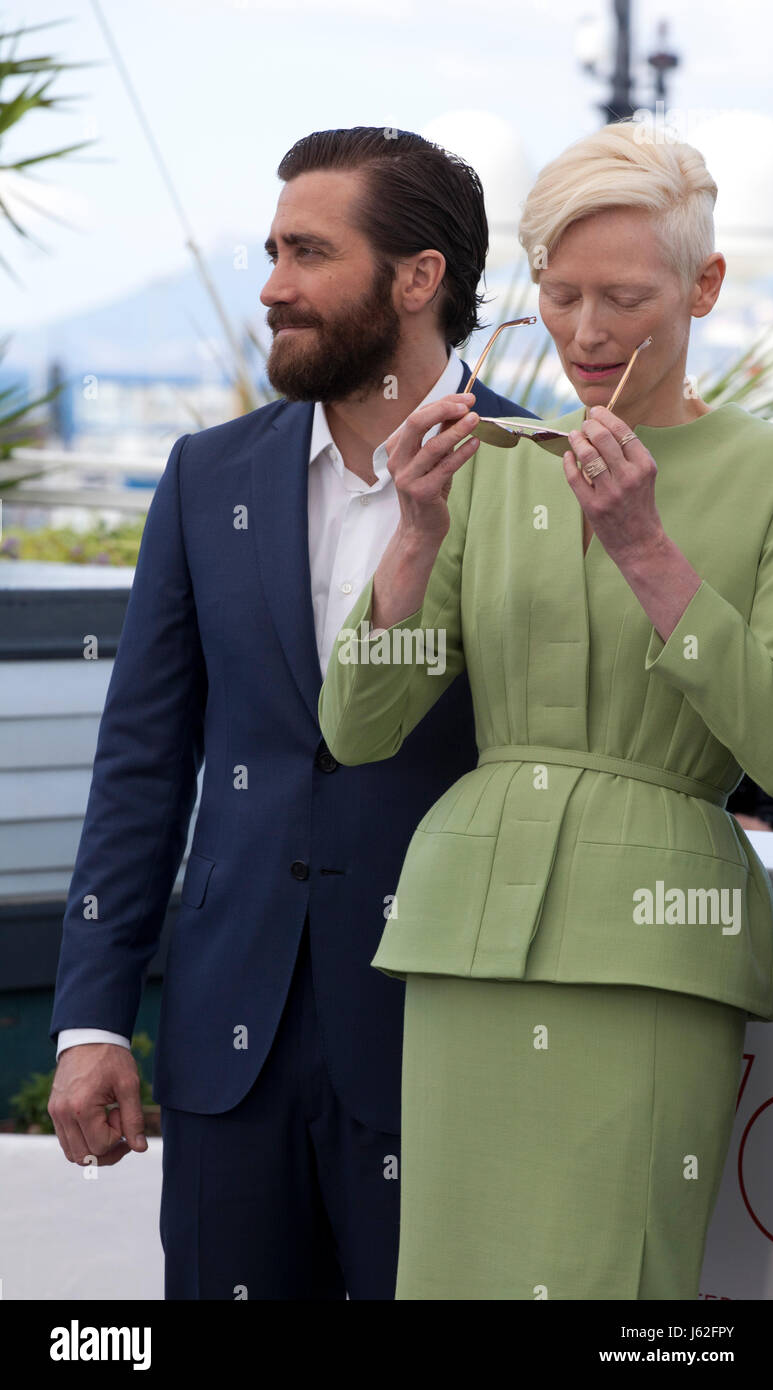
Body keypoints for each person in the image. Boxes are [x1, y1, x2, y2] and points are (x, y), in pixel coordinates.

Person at [46, 126, 535, 1300]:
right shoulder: (205, 477)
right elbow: (142, 765)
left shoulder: (547, 475)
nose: (271, 286)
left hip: (449, 1041)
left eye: (308, 252)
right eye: (271, 250)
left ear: (419, 278)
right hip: (230, 1046)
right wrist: (90, 1021)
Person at [318, 120, 773, 1300]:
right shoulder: (493, 461)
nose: (584, 332)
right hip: (465, 940)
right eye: (559, 293)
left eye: (622, 295)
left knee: (612, 1282)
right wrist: (415, 536)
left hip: (655, 944)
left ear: (705, 285)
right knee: (455, 1276)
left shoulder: (770, 477)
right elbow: (357, 728)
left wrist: (646, 549)